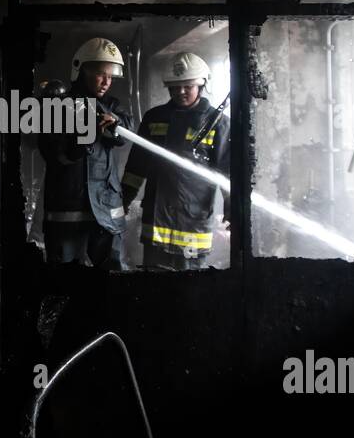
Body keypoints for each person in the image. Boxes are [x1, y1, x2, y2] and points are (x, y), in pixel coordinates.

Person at [122, 52, 230, 271]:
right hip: (156, 223)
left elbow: (227, 174)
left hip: (192, 223)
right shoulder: (154, 118)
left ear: (201, 85)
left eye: (187, 86)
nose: (180, 92)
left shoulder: (217, 124)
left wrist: (232, 209)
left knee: (189, 293)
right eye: (174, 87)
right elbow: (136, 166)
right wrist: (123, 199)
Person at [38, 38, 132, 269]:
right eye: (100, 74)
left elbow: (128, 127)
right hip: (68, 209)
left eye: (110, 76)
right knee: (65, 282)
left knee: (110, 282)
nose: (106, 82)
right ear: (82, 71)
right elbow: (53, 154)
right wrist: (83, 139)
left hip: (106, 209)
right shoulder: (59, 107)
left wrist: (115, 123)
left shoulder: (112, 106)